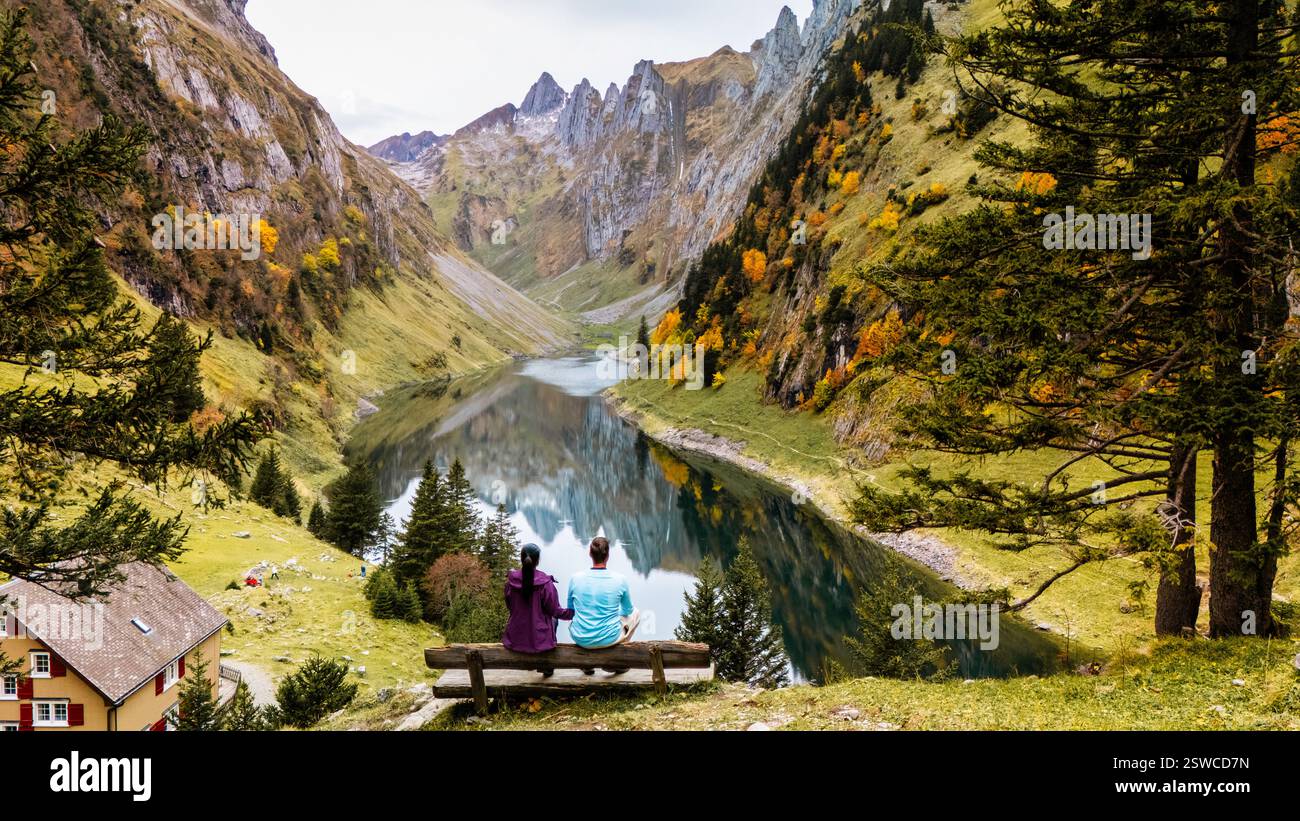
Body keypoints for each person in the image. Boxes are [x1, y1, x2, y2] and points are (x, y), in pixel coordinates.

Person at [567, 537, 639, 673]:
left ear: (590, 553)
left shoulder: (575, 578)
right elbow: (628, 610)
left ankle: (587, 664)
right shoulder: (620, 579)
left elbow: (571, 610)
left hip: (581, 637)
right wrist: (611, 612)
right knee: (636, 613)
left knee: (578, 617)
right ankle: (617, 661)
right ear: (608, 556)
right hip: (609, 638)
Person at [503, 543, 574, 675]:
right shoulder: (545, 584)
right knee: (553, 620)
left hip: (515, 637)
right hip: (539, 639)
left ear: (521, 558)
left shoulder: (510, 583)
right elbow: (555, 611)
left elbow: (510, 607)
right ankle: (546, 664)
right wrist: (572, 613)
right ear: (538, 560)